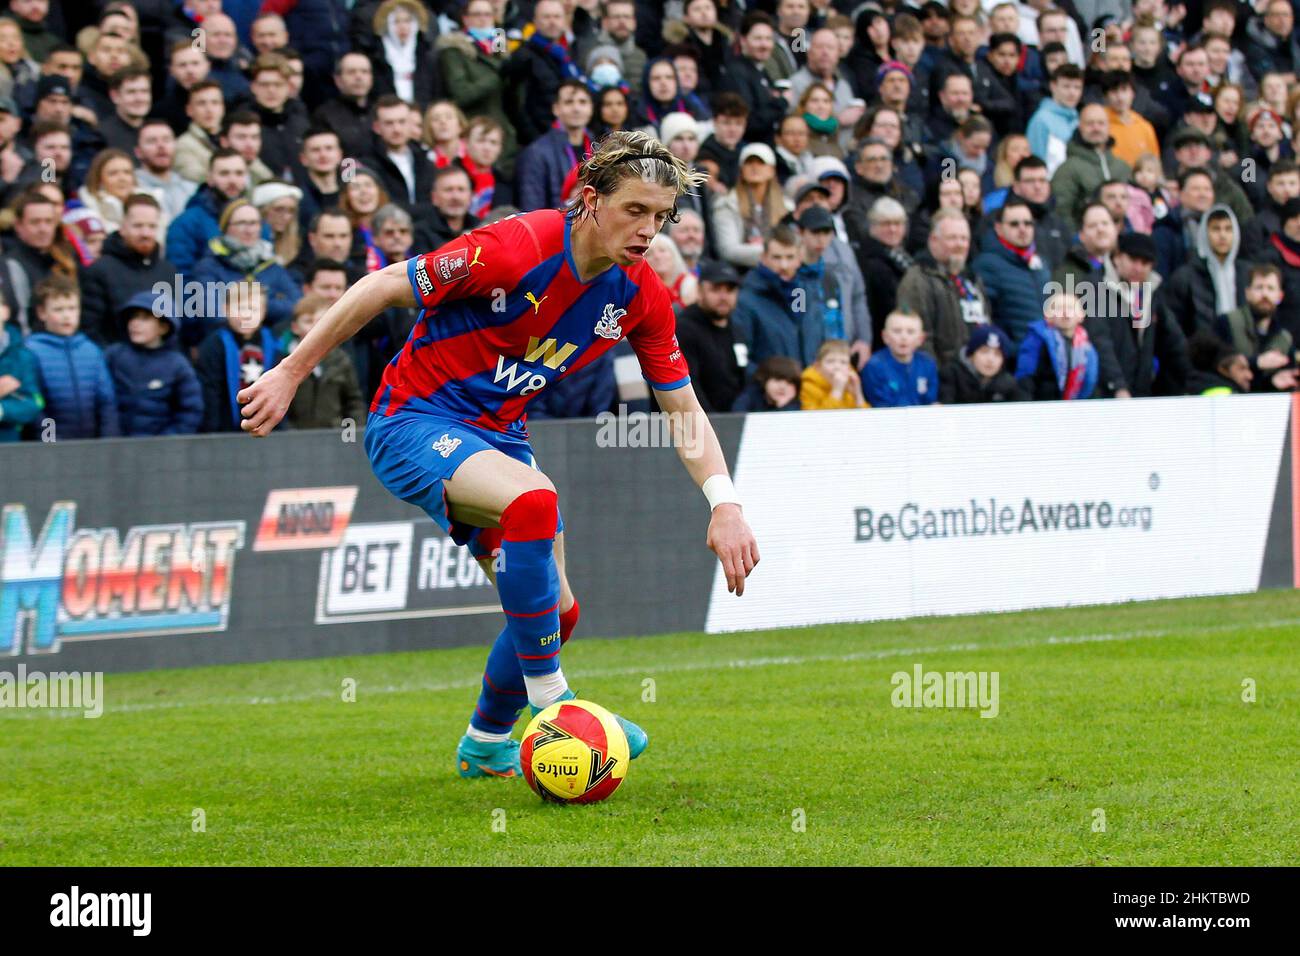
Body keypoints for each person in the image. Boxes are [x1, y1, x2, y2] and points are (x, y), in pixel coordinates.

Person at [235, 130, 759, 779]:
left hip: (499, 435)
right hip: (413, 420)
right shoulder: (515, 247)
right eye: (635, 210)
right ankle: (554, 702)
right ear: (590, 199)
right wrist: (290, 372)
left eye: (661, 216)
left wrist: (725, 504)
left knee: (556, 611)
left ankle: (485, 744)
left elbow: (682, 408)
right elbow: (382, 284)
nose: (648, 229)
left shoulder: (640, 294)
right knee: (534, 501)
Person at [24, 274, 120, 438]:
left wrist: (108, 441)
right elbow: (36, 406)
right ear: (42, 313)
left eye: (72, 308)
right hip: (50, 446)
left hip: (91, 446)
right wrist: (51, 441)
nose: (66, 316)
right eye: (58, 309)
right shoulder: (31, 351)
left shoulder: (92, 350)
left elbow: (106, 402)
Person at [896, 208, 989, 367]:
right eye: (952, 238)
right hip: (944, 376)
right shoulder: (918, 280)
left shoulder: (972, 279)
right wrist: (940, 377)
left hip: (977, 374)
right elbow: (919, 340)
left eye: (964, 239)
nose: (960, 245)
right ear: (933, 240)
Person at [77, 194, 175, 345]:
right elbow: (91, 329)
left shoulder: (168, 271)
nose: (145, 233)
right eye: (138, 226)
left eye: (152, 226)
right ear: (123, 227)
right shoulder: (99, 271)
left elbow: (174, 328)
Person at [103, 290, 202, 435]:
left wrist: (164, 443)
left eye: (145, 318)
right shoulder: (114, 356)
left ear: (164, 327)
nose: (135, 323)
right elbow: (102, 403)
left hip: (160, 446)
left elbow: (190, 411)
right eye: (133, 317)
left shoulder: (177, 365)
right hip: (113, 444)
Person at [197, 281, 282, 433]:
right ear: (226, 309)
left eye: (253, 309)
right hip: (225, 430)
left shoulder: (273, 344)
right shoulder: (214, 345)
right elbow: (210, 393)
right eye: (240, 308)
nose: (246, 315)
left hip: (267, 429)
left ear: (263, 312)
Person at [276, 293, 367, 430]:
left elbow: (353, 402)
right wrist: (287, 432)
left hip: (334, 434)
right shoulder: (283, 362)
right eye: (308, 321)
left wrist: (353, 433)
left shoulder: (341, 360)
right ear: (295, 327)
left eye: (321, 321)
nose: (315, 327)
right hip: (295, 436)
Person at [1159, 204, 1249, 339]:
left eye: (1228, 229)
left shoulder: (1247, 274)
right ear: (1204, 233)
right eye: (1216, 229)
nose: (1222, 235)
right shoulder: (1185, 277)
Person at [972, 197, 1051, 349]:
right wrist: (1009, 349)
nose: (1022, 229)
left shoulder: (1041, 264)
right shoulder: (987, 265)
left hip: (1043, 355)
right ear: (998, 228)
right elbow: (985, 317)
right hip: (1012, 356)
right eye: (1014, 224)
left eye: (1028, 223)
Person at [675, 259, 746, 414]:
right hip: (700, 421)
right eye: (716, 289)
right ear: (700, 291)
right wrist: (710, 421)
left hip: (737, 419)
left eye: (730, 290)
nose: (723, 297)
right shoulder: (684, 329)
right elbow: (687, 385)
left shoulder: (737, 327)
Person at [1213, 263, 1298, 391]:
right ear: (1247, 293)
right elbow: (1217, 364)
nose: (1264, 294)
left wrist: (1274, 382)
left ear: (1280, 296)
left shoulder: (1284, 338)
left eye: (1270, 288)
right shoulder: (1227, 323)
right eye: (1259, 288)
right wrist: (1256, 362)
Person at [1015, 291, 1098, 401]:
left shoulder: (1087, 347)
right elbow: (1025, 377)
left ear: (1081, 315)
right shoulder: (1036, 340)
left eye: (1071, 308)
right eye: (1059, 308)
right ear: (1047, 315)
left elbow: (1090, 382)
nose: (1065, 313)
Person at [863, 310, 937, 407]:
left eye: (910, 332)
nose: (903, 337)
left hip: (921, 416)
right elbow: (877, 404)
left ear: (921, 339)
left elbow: (930, 400)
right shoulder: (874, 366)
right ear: (885, 337)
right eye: (897, 331)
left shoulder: (927, 364)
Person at [939, 323, 1026, 404]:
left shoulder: (1008, 383)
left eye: (997, 354)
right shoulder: (952, 375)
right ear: (971, 355)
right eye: (984, 351)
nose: (990, 359)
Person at [799, 338, 866, 409]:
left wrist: (858, 395)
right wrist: (837, 390)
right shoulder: (808, 385)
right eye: (830, 361)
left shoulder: (850, 382)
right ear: (817, 366)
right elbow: (815, 415)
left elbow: (867, 415)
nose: (837, 367)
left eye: (843, 362)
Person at [730, 354, 802, 411]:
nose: (782, 387)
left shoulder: (797, 404)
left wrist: (783, 406)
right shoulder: (750, 397)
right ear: (764, 379)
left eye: (789, 382)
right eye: (777, 380)